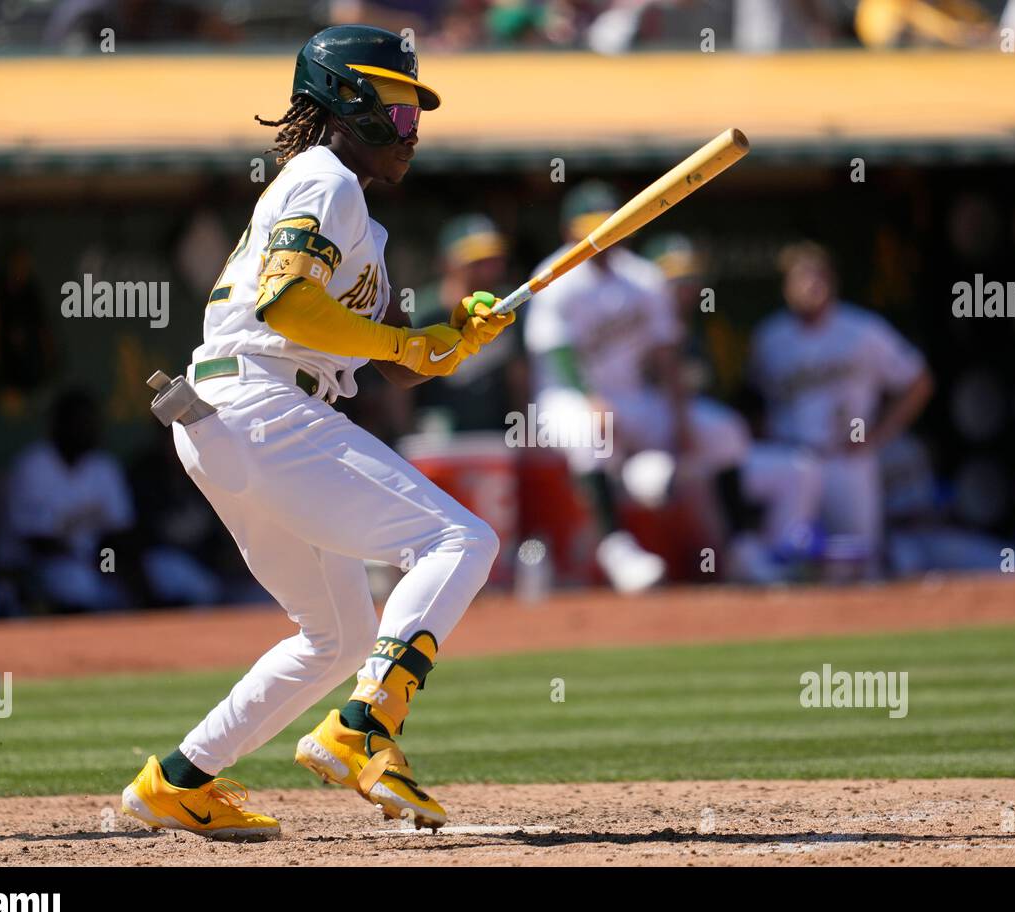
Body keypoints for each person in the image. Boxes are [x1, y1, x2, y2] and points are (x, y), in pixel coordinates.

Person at [120, 25, 515, 840]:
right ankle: (366, 727)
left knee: (337, 639)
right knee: (461, 541)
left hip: (231, 419)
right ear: (350, 103)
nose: (411, 133)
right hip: (259, 404)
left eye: (415, 117)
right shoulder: (324, 176)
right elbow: (287, 305)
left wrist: (454, 339)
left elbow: (394, 362)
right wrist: (406, 344)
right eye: (399, 111)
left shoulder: (361, 220)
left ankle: (177, 780)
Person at [523, 182, 757, 591]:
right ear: (569, 232)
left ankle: (739, 547)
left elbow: (667, 355)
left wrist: (682, 417)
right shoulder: (553, 277)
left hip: (631, 397)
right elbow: (559, 354)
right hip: (564, 399)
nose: (600, 239)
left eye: (609, 228)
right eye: (591, 230)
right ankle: (617, 549)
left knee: (723, 430)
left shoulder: (643, 278)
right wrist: (592, 402)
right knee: (588, 431)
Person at [749, 241, 933, 577]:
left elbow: (918, 381)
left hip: (847, 458)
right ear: (786, 287)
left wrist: (880, 435)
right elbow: (754, 399)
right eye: (800, 279)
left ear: (832, 281)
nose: (810, 286)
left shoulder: (862, 330)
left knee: (859, 561)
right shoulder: (770, 338)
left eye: (817, 277)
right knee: (791, 565)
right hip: (793, 461)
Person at [0, 389, 139, 612]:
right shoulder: (33, 466)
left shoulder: (104, 467)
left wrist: (106, 564)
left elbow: (120, 530)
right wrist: (85, 561)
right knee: (77, 583)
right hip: (31, 567)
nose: (89, 429)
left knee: (128, 586)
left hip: (91, 565)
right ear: (58, 426)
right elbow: (35, 540)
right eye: (80, 422)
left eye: (91, 422)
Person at [407, 214, 529, 432]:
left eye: (493, 259)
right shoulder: (423, 313)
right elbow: (398, 387)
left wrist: (524, 430)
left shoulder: (506, 308)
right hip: (435, 434)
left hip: (497, 432)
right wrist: (403, 433)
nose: (488, 268)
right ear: (446, 263)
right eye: (476, 261)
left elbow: (518, 377)